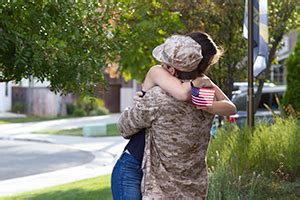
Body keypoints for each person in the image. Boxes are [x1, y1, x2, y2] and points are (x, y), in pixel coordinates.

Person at [112, 32, 236, 199]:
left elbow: (124, 128)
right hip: (187, 183)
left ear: (172, 68)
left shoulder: (158, 96)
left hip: (139, 169)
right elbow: (230, 107)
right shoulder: (205, 95)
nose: (161, 65)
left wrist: (138, 103)